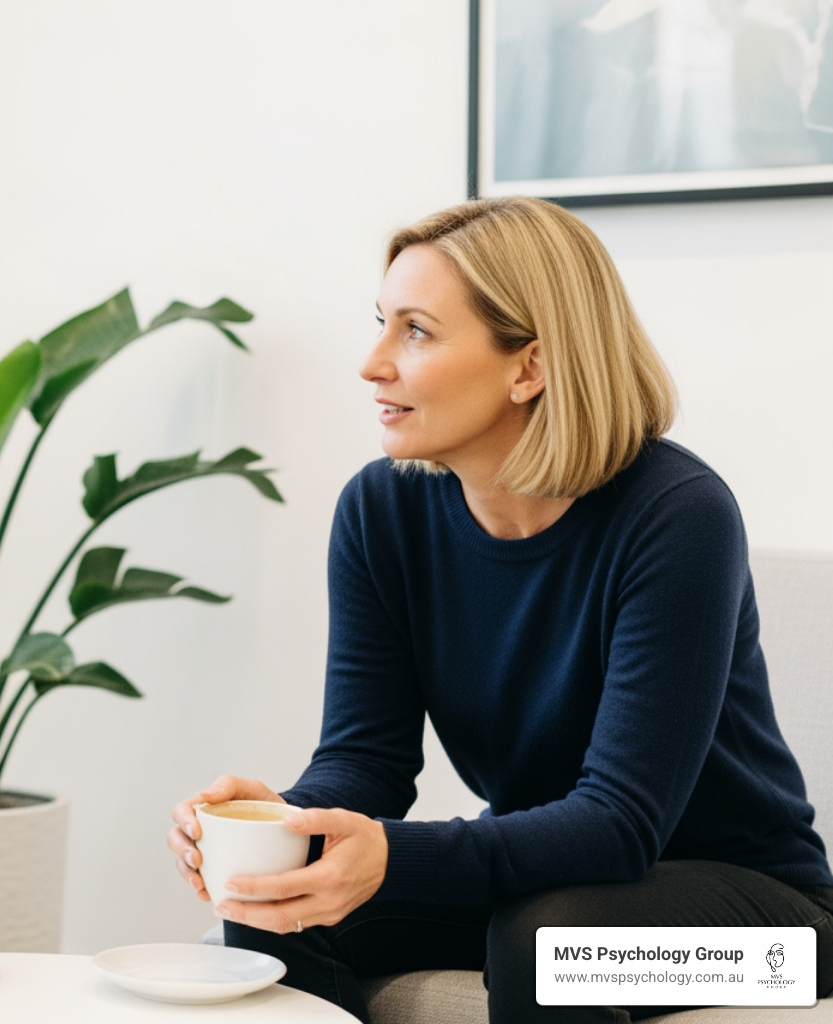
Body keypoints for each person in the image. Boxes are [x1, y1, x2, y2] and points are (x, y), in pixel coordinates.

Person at [167, 196, 833, 1022]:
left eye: (415, 330)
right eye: (382, 323)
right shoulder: (382, 512)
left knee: (550, 943)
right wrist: (285, 831)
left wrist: (387, 855)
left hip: (772, 938)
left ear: (530, 367)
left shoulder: (677, 515)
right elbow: (367, 760)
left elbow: (619, 824)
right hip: (558, 887)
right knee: (280, 912)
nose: (373, 363)